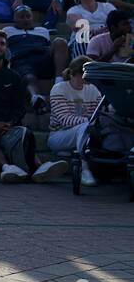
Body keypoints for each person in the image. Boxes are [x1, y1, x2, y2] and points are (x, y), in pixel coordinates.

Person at [0, 31, 67, 184]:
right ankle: (7, 168)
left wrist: (12, 122)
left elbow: (21, 106)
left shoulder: (14, 77)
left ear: (6, 49)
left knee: (25, 134)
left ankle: (39, 168)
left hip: (9, 123)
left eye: (2, 44)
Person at [49, 56, 101, 186]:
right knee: (84, 127)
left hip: (85, 131)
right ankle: (85, 169)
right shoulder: (59, 89)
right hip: (58, 134)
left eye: (85, 76)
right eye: (79, 75)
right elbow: (64, 119)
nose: (83, 79)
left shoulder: (93, 90)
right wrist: (88, 120)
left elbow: (98, 114)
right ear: (71, 73)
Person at [4, 5, 69, 106]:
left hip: (43, 59)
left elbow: (51, 48)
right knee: (29, 77)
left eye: (27, 16)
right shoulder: (7, 31)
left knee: (60, 42)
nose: (25, 19)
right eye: (21, 17)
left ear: (32, 18)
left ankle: (59, 82)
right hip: (22, 60)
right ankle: (36, 98)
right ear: (14, 19)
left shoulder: (42, 30)